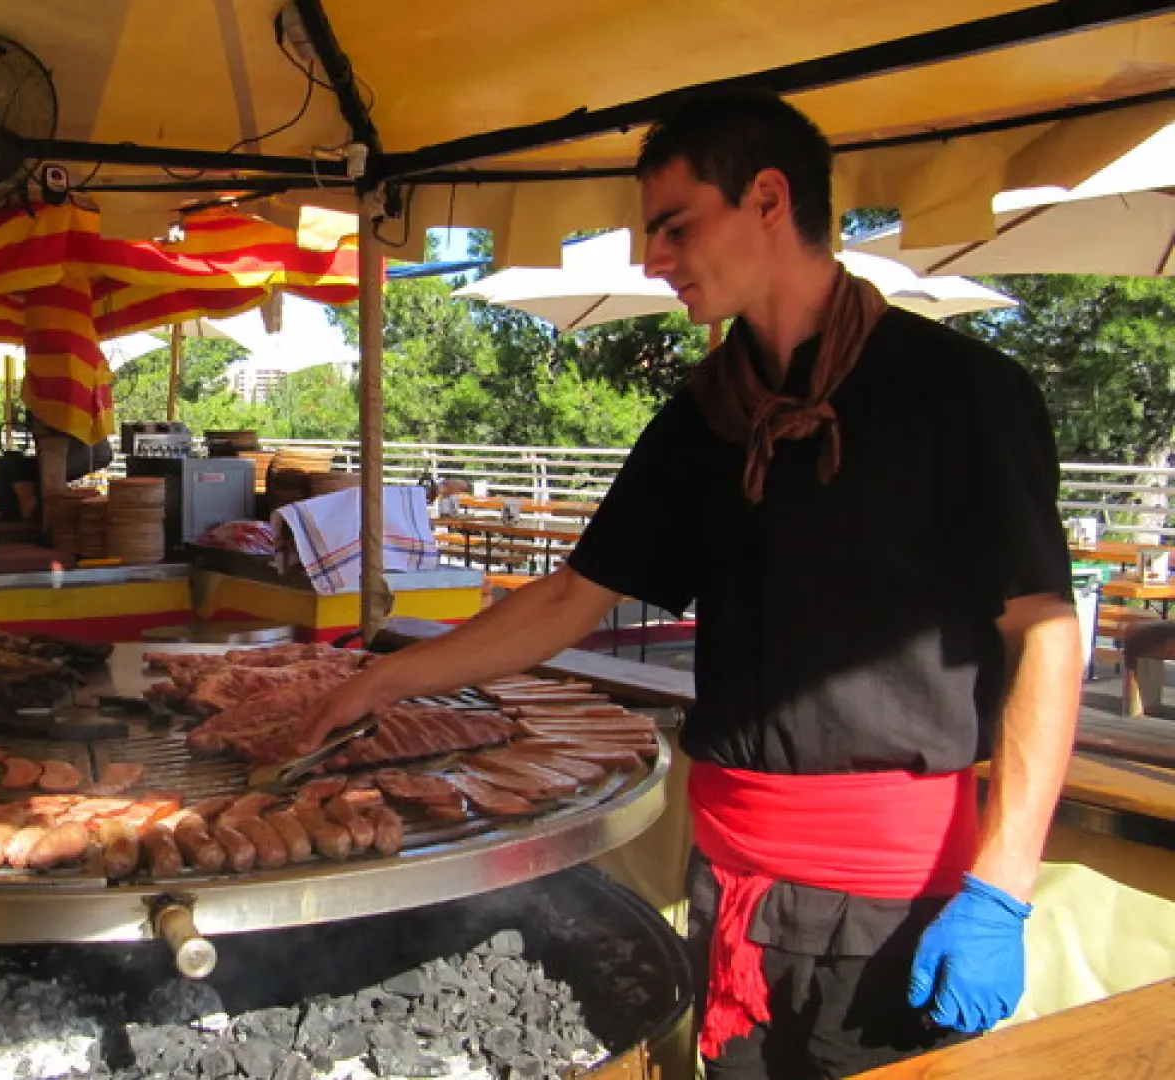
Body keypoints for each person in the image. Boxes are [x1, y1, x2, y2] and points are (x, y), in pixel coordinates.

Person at [299, 88, 1082, 1080]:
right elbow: (570, 600)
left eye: (674, 227)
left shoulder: (960, 392)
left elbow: (1046, 634)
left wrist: (1002, 888)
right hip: (731, 890)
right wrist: (377, 683)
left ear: (768, 199)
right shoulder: (708, 417)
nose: (652, 259)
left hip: (900, 906)